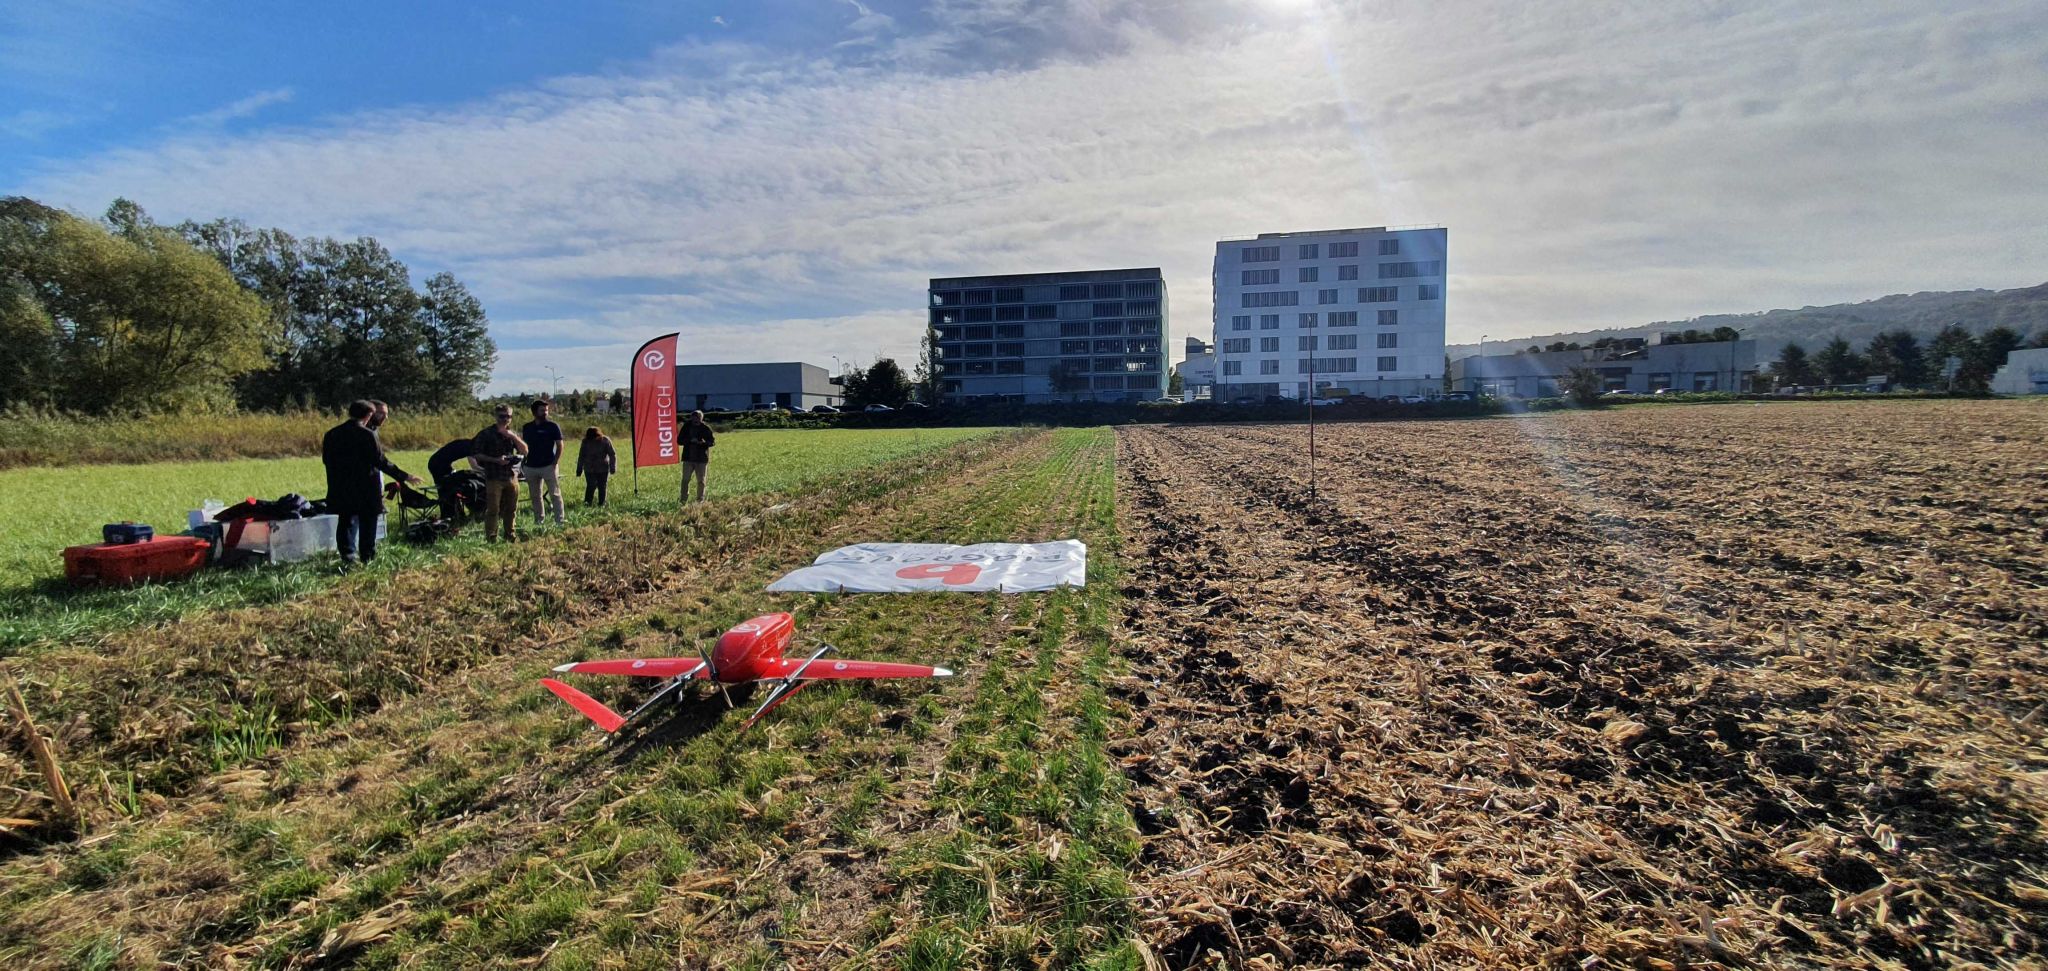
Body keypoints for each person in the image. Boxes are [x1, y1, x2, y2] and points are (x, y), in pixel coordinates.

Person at [322, 399, 420, 568]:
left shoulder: (332, 433)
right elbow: (380, 461)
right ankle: (368, 557)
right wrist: (404, 476)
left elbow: (326, 460)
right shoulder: (367, 434)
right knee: (368, 521)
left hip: (341, 484)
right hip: (365, 485)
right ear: (368, 415)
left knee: (346, 520)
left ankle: (348, 556)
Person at [472, 405, 528, 542]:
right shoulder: (486, 434)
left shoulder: (512, 434)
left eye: (508, 416)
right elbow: (476, 455)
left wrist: (513, 436)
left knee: (511, 509)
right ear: (496, 417)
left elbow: (525, 451)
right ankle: (491, 538)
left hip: (511, 476)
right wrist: (495, 460)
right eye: (502, 416)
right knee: (493, 510)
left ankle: (510, 536)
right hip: (494, 477)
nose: (505, 419)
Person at [521, 398, 567, 526]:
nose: (545, 413)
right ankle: (539, 521)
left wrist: (555, 462)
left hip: (548, 466)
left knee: (555, 494)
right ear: (534, 412)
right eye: (542, 410)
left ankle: (560, 521)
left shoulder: (552, 426)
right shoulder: (527, 427)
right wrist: (523, 463)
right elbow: (523, 446)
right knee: (535, 496)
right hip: (531, 467)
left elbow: (560, 445)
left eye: (546, 410)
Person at [426, 436, 476, 521]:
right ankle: (450, 514)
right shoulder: (472, 447)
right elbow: (474, 465)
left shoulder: (467, 443)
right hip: (436, 464)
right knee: (446, 487)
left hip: (440, 463)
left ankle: (454, 514)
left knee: (447, 487)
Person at [575, 426, 617, 507]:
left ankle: (602, 504)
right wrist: (579, 469)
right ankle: (587, 503)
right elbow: (581, 456)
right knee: (591, 485)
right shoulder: (585, 442)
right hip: (589, 468)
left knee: (602, 486)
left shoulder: (605, 440)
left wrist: (613, 467)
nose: (593, 440)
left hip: (603, 468)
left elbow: (612, 454)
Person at [680, 410, 715, 504]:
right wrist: (690, 440)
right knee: (685, 480)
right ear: (691, 418)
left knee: (701, 481)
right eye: (694, 418)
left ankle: (700, 500)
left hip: (701, 459)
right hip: (688, 458)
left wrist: (702, 443)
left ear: (701, 418)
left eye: (698, 418)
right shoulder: (686, 427)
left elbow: (712, 442)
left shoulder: (706, 428)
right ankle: (683, 500)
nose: (696, 420)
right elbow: (679, 440)